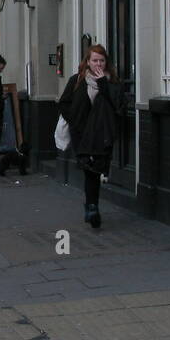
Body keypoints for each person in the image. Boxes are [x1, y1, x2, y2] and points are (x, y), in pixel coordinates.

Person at [58, 44, 123, 228]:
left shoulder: (112, 83)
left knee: (95, 170)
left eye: (102, 60)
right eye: (95, 60)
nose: (98, 64)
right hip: (82, 134)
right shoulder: (77, 80)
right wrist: (75, 121)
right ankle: (92, 207)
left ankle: (91, 206)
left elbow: (117, 105)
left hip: (101, 135)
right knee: (90, 170)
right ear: (87, 62)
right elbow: (64, 103)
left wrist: (103, 83)